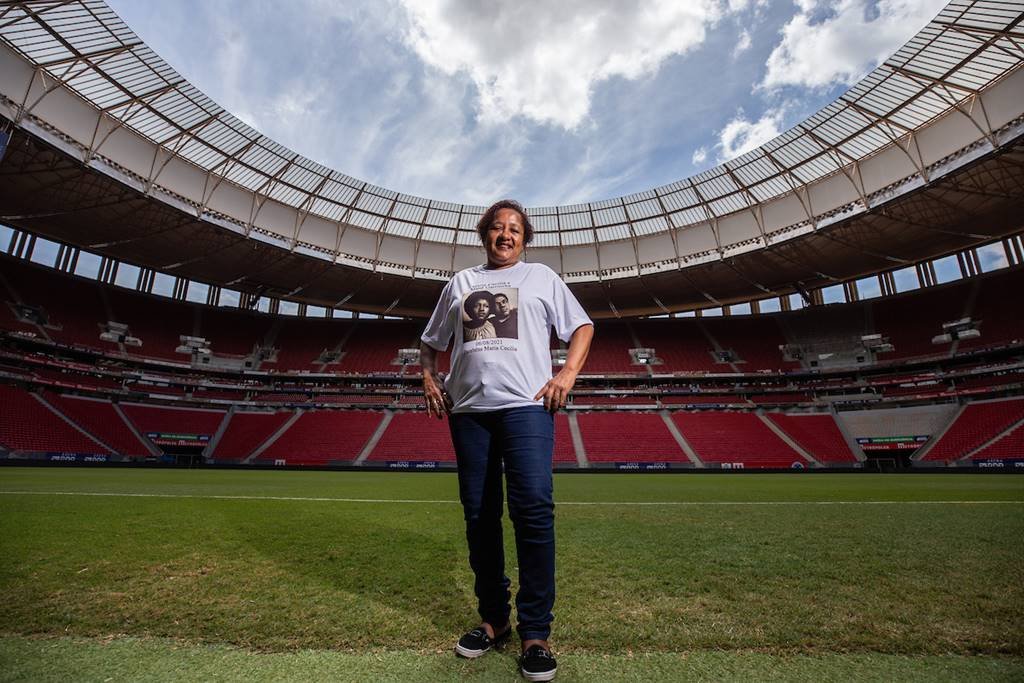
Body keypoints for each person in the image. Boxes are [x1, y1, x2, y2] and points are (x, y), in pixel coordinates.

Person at [420, 199, 593, 682]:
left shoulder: (542, 278)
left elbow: (582, 326)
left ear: (525, 237)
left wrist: (568, 374)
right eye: (497, 227)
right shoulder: (461, 283)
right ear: (485, 235)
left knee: (533, 508)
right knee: (479, 515)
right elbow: (431, 341)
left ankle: (535, 632)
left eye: (514, 228)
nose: (505, 235)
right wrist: (428, 376)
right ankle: (494, 620)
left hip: (526, 408)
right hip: (470, 412)